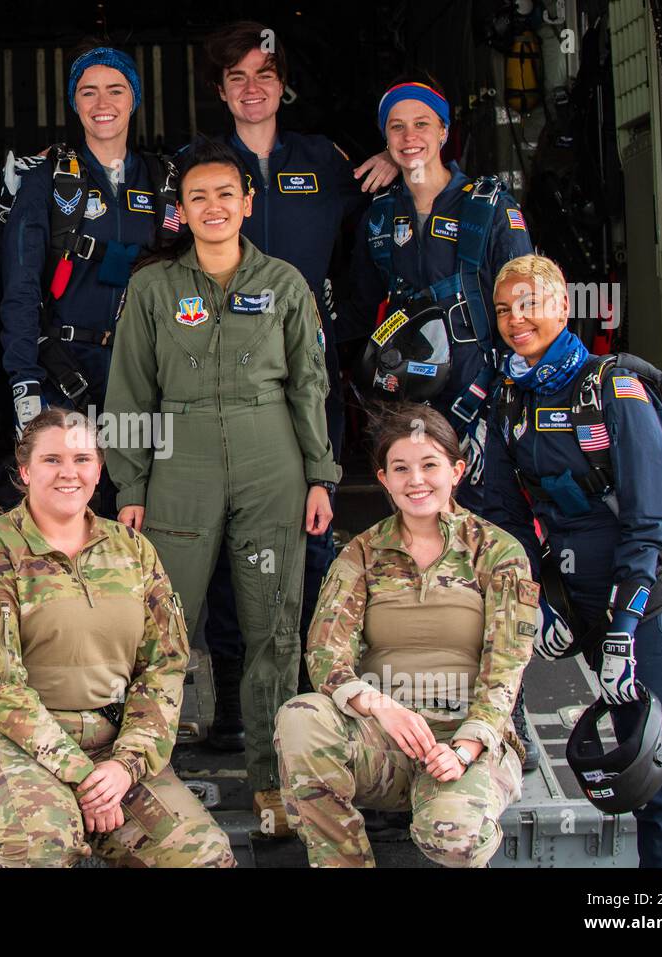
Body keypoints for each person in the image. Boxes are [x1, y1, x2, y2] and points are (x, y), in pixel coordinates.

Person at [104, 137, 338, 834]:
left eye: (225, 194)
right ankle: (153, 776)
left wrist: (321, 474)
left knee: (274, 625)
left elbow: (308, 385)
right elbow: (127, 394)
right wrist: (129, 483)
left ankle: (273, 783)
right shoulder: (153, 288)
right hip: (180, 463)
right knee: (163, 630)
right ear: (181, 208)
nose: (213, 207)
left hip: (273, 461)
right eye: (197, 196)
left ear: (248, 202)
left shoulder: (287, 284)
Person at [194, 21, 399, 750]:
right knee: (223, 537)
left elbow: (378, 231)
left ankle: (311, 697)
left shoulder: (323, 160)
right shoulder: (197, 164)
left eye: (266, 76)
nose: (253, 89)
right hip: (220, 377)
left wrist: (391, 157)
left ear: (285, 86)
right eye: (238, 77)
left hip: (306, 373)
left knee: (311, 527)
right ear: (220, 91)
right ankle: (226, 710)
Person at [0, 409, 235, 868]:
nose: (68, 472)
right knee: (38, 843)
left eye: (82, 458)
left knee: (202, 855)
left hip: (109, 742)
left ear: (98, 469)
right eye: (52, 459)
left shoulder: (132, 550)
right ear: (26, 470)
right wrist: (81, 774)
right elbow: (0, 687)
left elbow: (165, 666)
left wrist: (125, 764)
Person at [480, 254, 662, 868]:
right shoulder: (509, 397)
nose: (515, 320)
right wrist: (540, 599)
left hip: (646, 602)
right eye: (502, 309)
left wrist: (625, 629)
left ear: (562, 306)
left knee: (658, 775)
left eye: (529, 304)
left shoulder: (614, 387)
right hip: (578, 600)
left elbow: (649, 522)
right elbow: (507, 515)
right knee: (631, 769)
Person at [274, 403, 535, 867]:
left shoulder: (497, 552)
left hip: (463, 739)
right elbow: (324, 653)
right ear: (384, 480)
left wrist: (467, 745)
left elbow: (507, 668)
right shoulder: (363, 552)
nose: (416, 481)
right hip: (382, 739)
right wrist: (380, 707)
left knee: (455, 837)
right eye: (401, 469)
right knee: (300, 717)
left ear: (457, 470)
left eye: (429, 465)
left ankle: (449, 804)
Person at [343, 73, 534, 513]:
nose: (410, 136)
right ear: (384, 138)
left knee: (491, 531)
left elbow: (528, 309)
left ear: (444, 132)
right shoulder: (380, 218)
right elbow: (358, 307)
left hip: (484, 399)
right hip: (410, 405)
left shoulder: (489, 207)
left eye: (422, 124)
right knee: (420, 532)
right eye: (397, 126)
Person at [0, 42, 181, 465]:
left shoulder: (163, 180)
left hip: (143, 370)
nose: (103, 103)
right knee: (71, 492)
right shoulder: (46, 181)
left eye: (116, 90)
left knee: (141, 498)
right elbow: (21, 286)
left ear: (133, 99)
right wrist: (23, 379)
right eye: (88, 91)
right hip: (63, 370)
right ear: (74, 103)